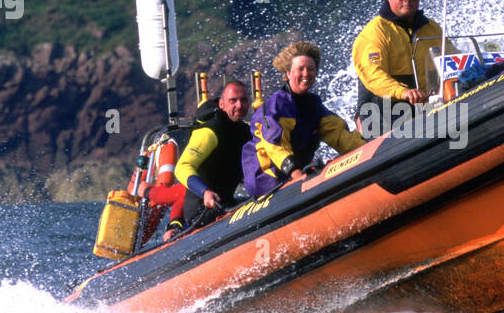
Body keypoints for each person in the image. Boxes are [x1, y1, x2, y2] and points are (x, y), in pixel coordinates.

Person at [243, 41, 365, 197]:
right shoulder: (277, 105)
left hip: (298, 173)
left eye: (311, 69)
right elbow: (274, 145)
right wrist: (296, 174)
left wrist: (369, 147)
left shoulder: (314, 105)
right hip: (267, 179)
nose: (306, 74)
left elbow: (339, 136)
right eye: (300, 69)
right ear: (288, 73)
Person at [351, 0, 451, 137]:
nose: (407, 0)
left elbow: (453, 58)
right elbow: (373, 74)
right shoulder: (375, 32)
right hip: (385, 111)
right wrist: (403, 92)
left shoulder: (431, 28)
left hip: (422, 107)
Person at [146, 80, 252, 238]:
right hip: (201, 211)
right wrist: (205, 192)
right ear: (222, 104)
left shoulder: (245, 132)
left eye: (243, 100)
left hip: (225, 204)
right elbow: (182, 167)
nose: (239, 105)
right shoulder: (210, 131)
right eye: (233, 101)